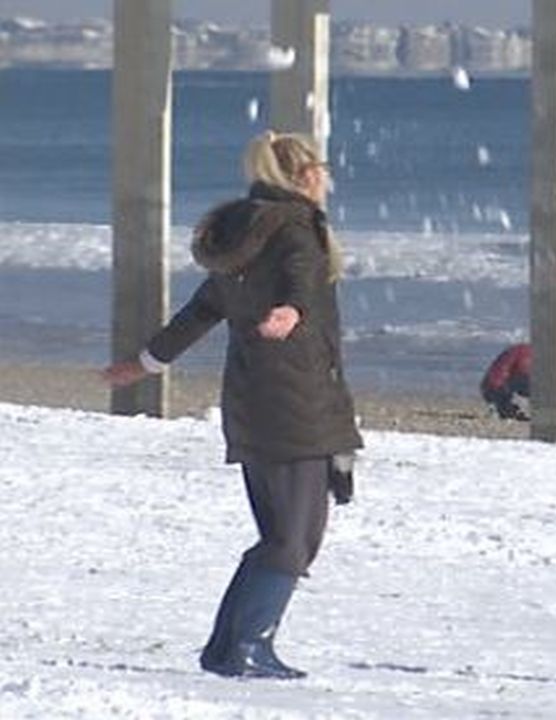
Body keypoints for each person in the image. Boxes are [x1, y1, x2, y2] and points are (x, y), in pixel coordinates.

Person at [101, 131, 363, 680]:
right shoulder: (296, 227)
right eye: (321, 169)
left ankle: (226, 649)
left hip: (254, 399)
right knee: (294, 540)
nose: (326, 179)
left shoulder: (245, 232)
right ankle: (246, 648)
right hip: (296, 403)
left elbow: (202, 310)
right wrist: (290, 310)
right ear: (306, 175)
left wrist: (146, 362)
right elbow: (298, 277)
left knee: (281, 535)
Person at [479, 342, 556, 424]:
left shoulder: (527, 353)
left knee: (547, 384)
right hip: (498, 388)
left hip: (497, 388)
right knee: (545, 385)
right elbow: (504, 376)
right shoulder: (526, 355)